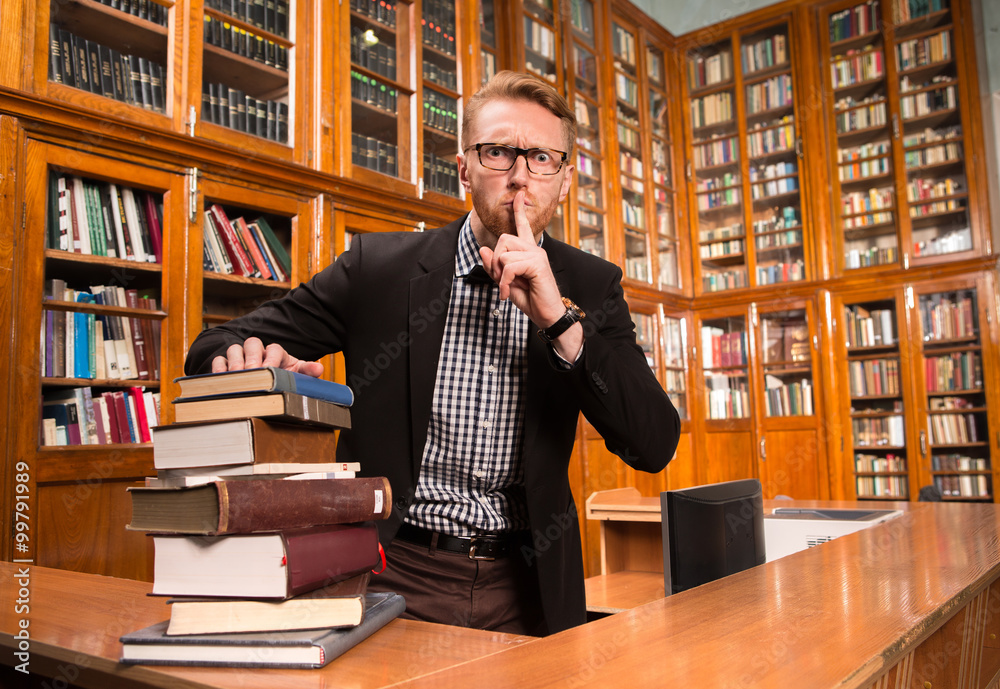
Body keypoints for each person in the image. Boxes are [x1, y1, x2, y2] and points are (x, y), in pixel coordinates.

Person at [183, 70, 681, 636]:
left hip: (529, 581)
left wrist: (559, 322)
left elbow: (653, 442)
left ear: (564, 180)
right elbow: (209, 347)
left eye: (541, 158)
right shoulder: (380, 269)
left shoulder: (591, 285)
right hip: (388, 571)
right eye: (499, 153)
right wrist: (245, 363)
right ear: (464, 166)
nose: (520, 177)